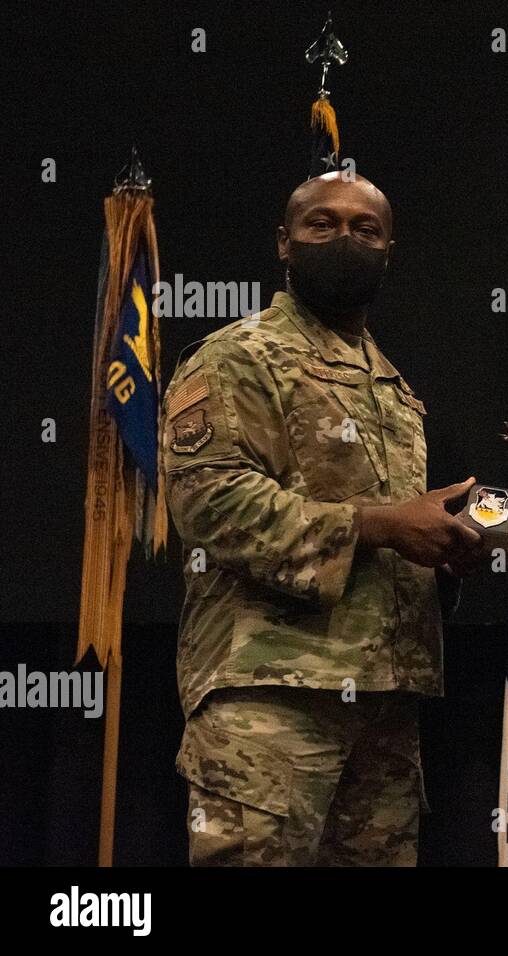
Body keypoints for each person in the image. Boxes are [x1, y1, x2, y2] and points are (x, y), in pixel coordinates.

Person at [162, 171, 482, 865]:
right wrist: (384, 525)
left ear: (389, 249)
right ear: (285, 242)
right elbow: (210, 506)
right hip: (269, 698)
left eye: (365, 230)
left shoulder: (391, 385)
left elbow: (397, 531)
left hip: (386, 705)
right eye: (322, 224)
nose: (345, 239)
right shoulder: (235, 357)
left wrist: (445, 547)